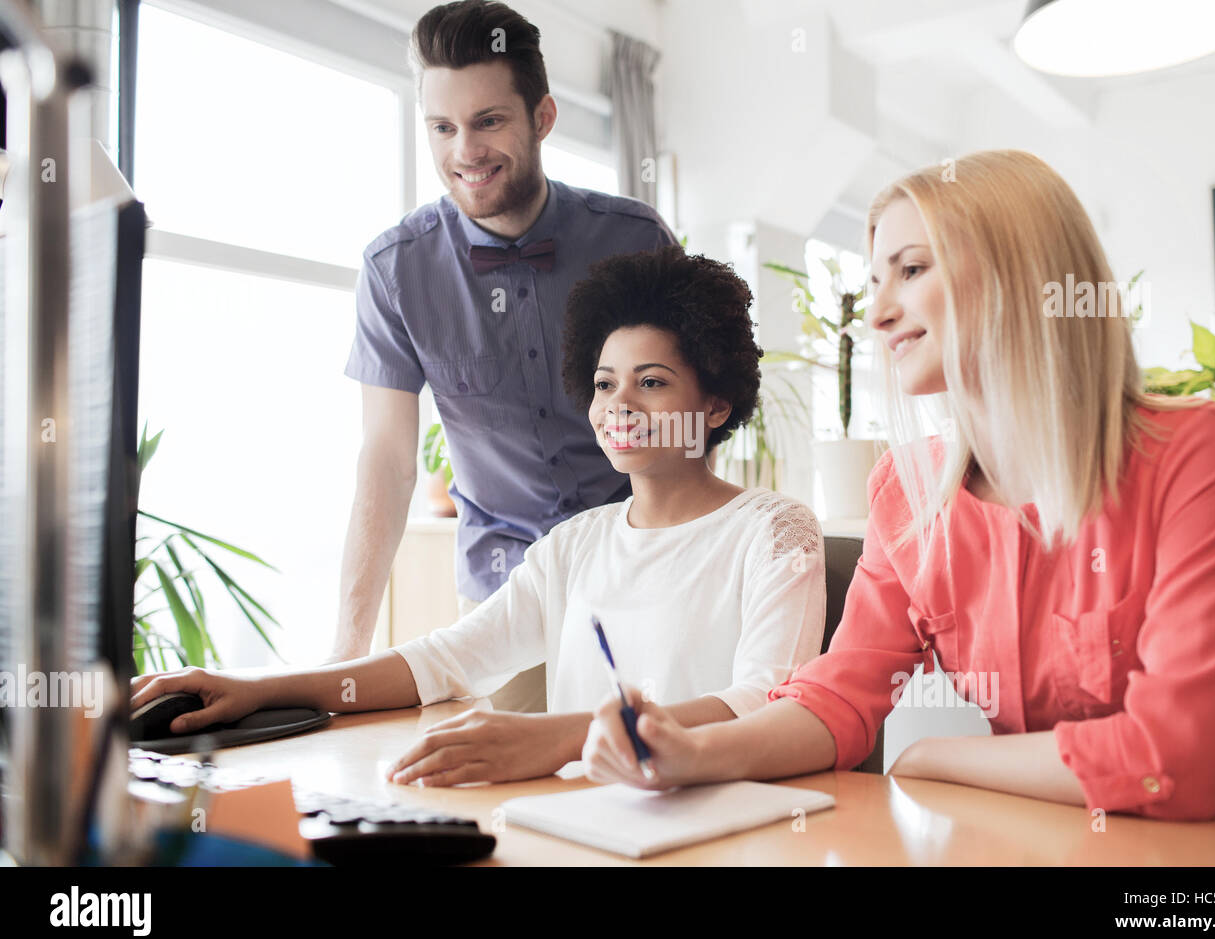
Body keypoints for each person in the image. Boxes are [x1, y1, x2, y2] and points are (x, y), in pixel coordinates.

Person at [582, 149, 1215, 822]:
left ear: (1021, 271)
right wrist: (694, 751)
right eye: (876, 281)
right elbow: (839, 699)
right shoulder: (907, 490)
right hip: (1021, 842)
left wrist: (937, 758)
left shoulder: (1202, 448)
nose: (878, 312)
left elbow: (1179, 761)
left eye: (911, 269)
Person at [130, 246, 826, 786]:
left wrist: (564, 736)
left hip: (717, 825)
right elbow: (448, 659)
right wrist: (260, 686)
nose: (619, 406)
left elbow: (766, 700)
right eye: (605, 383)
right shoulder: (574, 545)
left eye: (652, 383)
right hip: (585, 820)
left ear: (714, 406)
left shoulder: (775, 532)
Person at [331, 0, 677, 719]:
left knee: (667, 787)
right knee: (507, 796)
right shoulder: (396, 270)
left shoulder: (636, 240)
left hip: (649, 576)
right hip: (504, 597)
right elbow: (388, 459)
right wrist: (346, 652)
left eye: (488, 121)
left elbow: (692, 416)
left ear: (542, 118)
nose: (466, 151)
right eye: (443, 127)